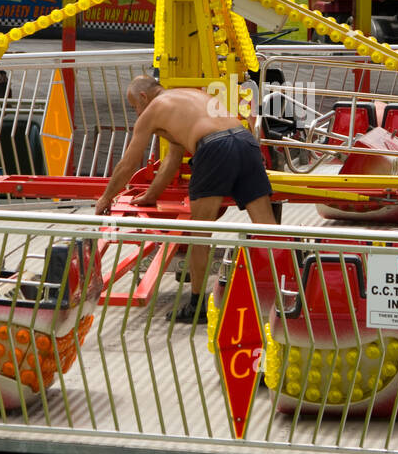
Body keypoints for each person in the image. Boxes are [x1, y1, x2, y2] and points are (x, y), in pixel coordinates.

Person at [95, 75, 277, 323]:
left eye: (134, 106)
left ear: (143, 97)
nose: (137, 113)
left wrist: (106, 197)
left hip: (214, 148)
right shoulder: (186, 97)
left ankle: (198, 306)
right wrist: (151, 195)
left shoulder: (153, 110)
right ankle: (285, 294)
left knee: (198, 233)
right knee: (267, 228)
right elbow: (172, 158)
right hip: (243, 140)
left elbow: (128, 163)